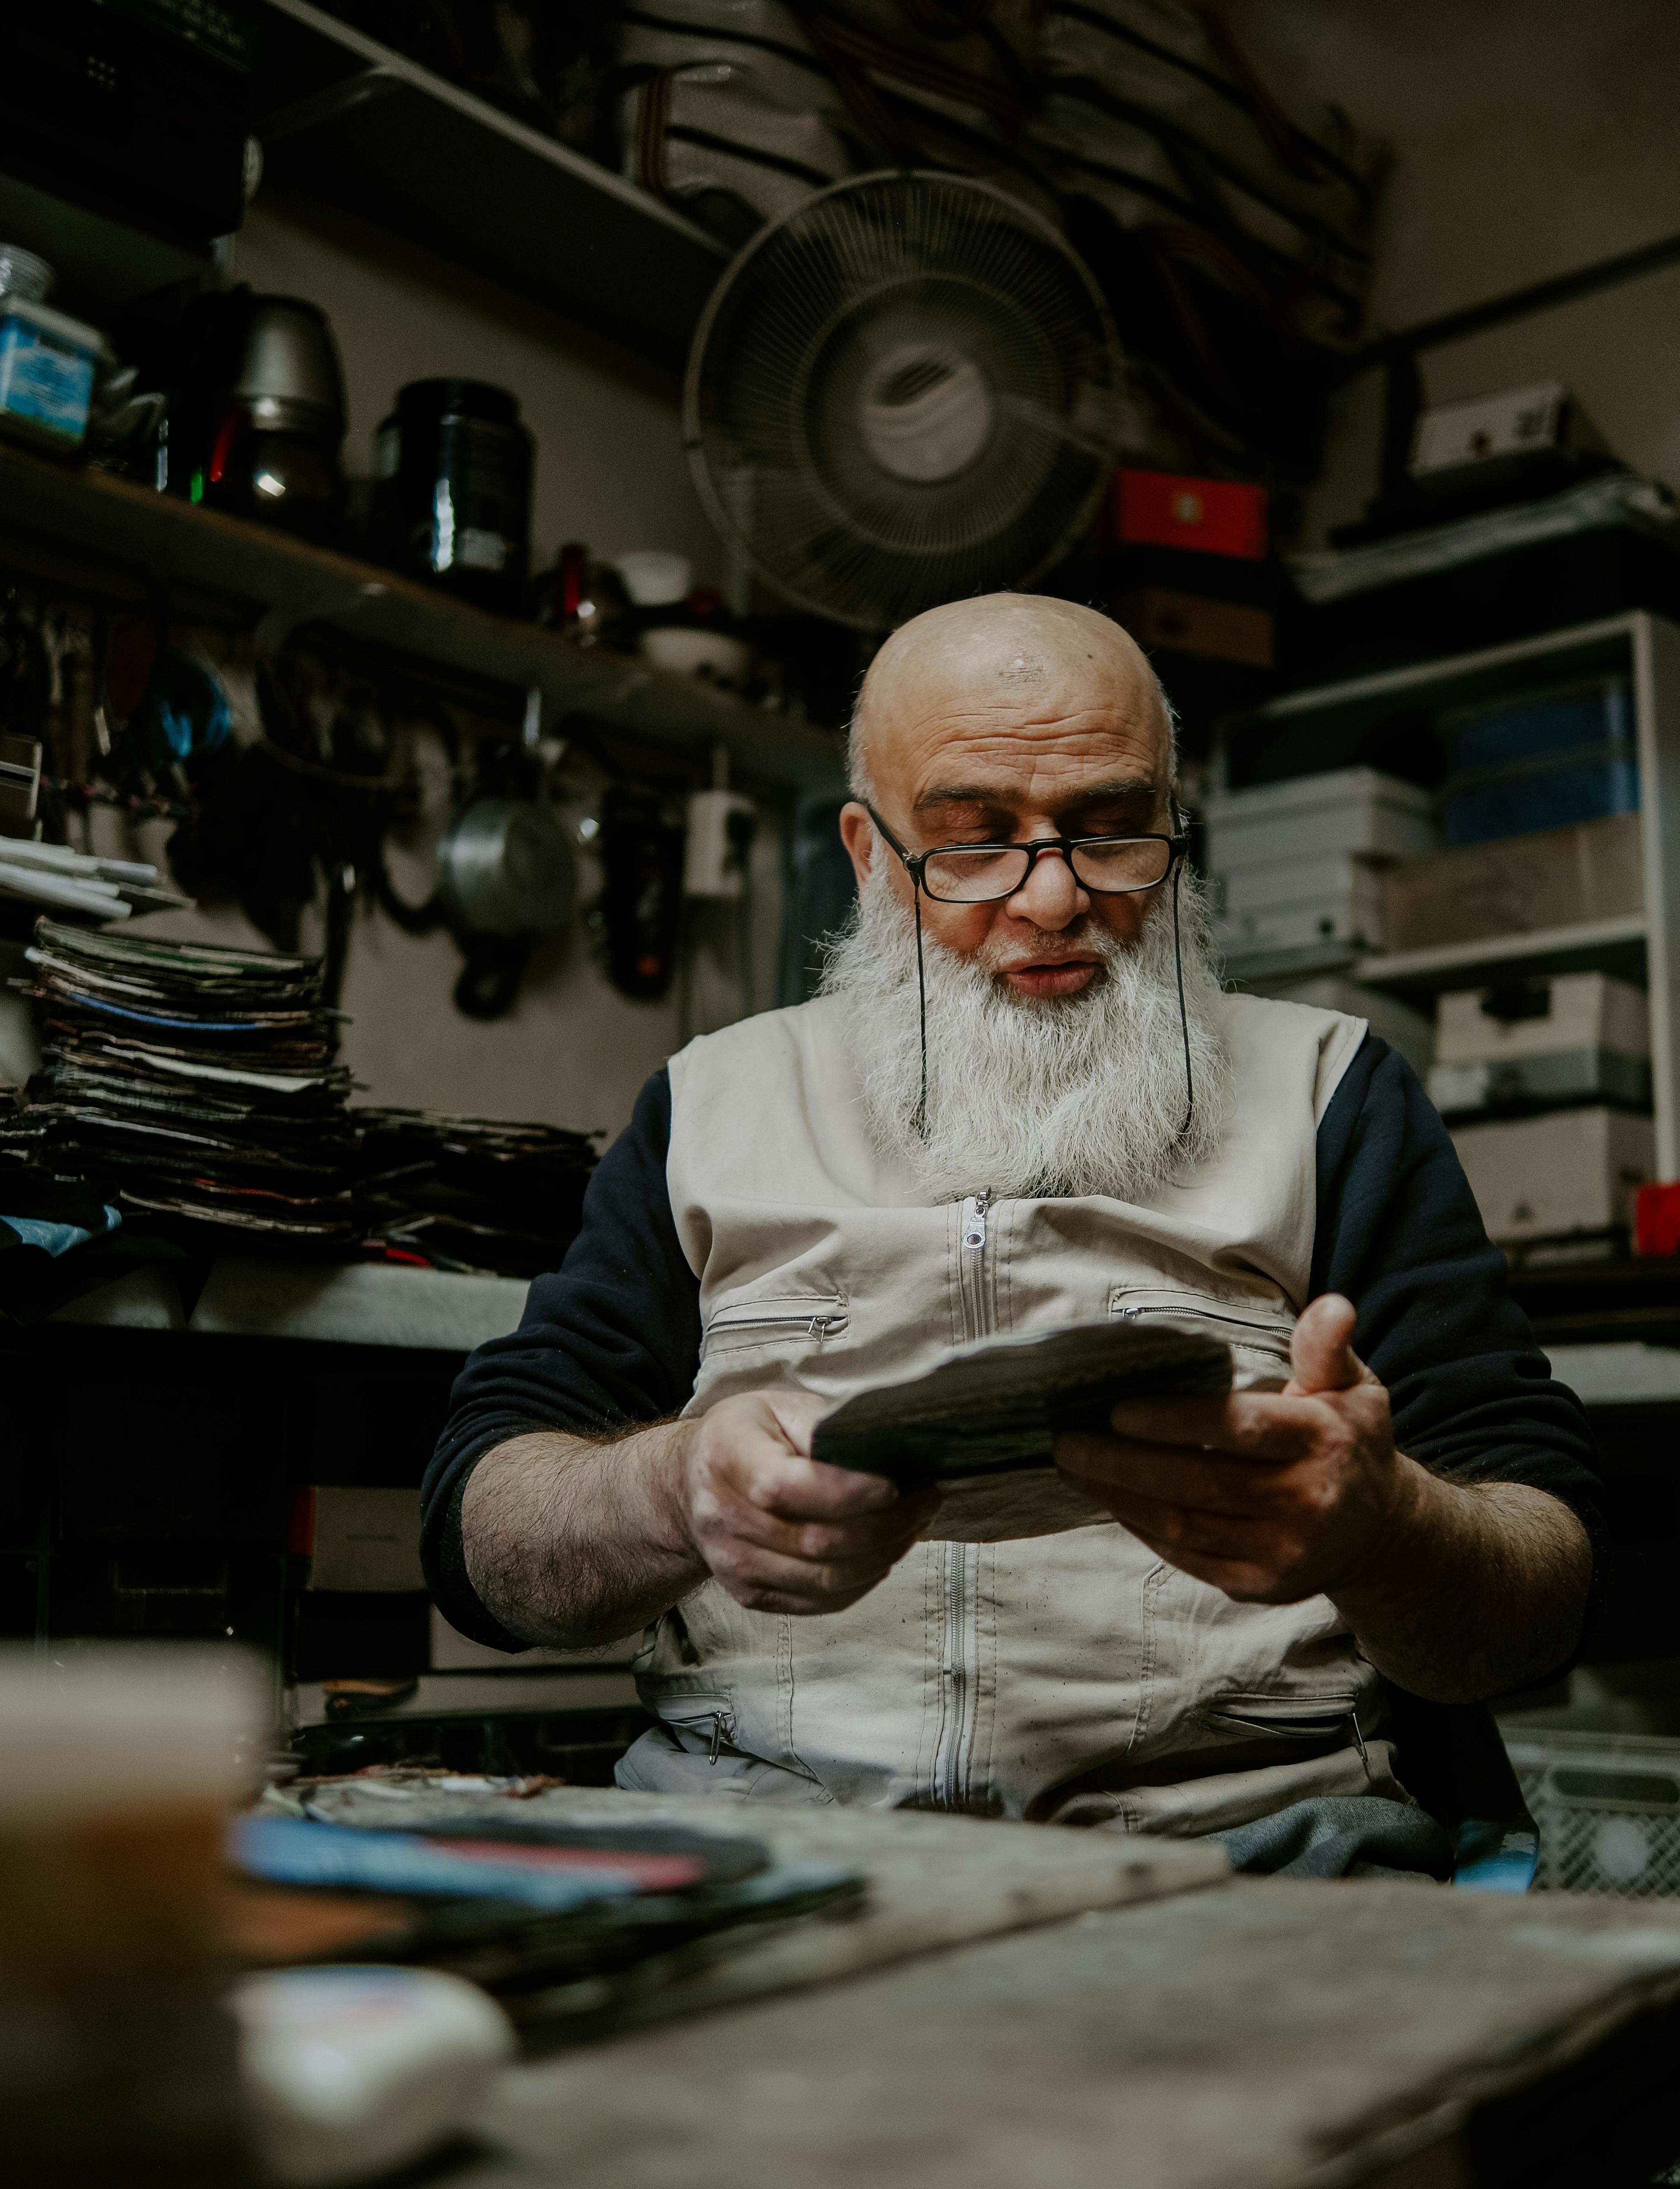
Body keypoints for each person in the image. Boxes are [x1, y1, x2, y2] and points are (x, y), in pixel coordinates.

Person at [423, 594, 1599, 1872]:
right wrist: (673, 1489)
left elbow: (1544, 1588)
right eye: (972, 844)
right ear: (869, 856)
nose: (1050, 899)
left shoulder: (1333, 1093)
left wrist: (1387, 1530)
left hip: (1248, 1864)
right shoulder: (714, 1103)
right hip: (772, 1859)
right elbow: (484, 1539)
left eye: (1110, 831)